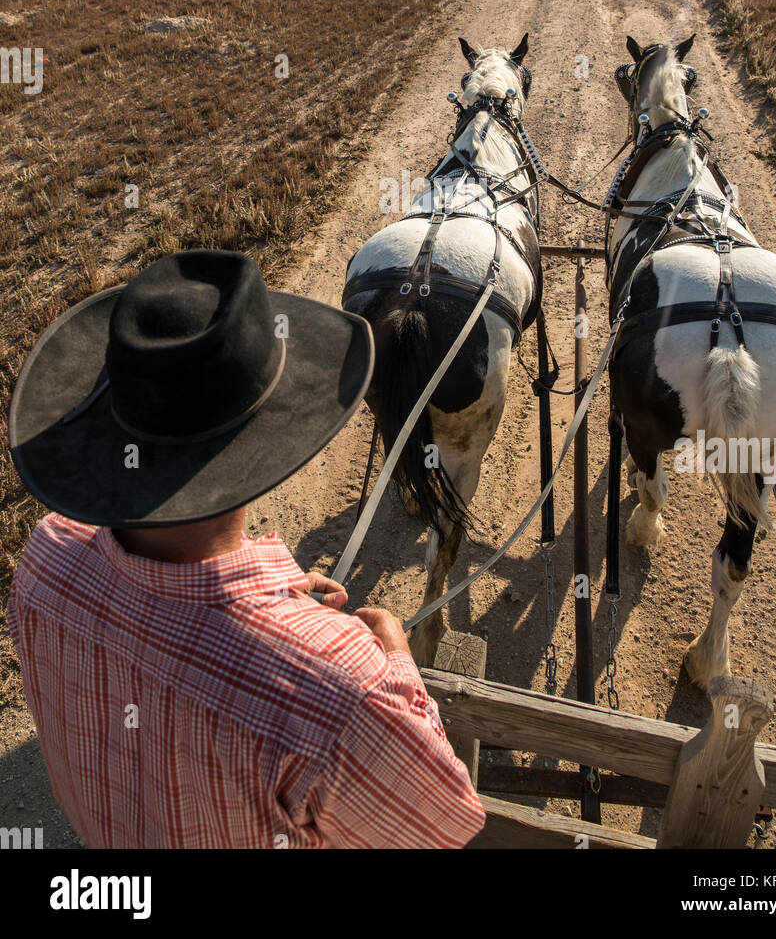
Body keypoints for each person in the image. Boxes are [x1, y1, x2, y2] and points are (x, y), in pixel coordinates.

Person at [6, 249, 485, 849]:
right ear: (269, 429)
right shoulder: (346, 689)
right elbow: (444, 825)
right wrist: (395, 664)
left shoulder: (45, 561)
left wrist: (275, 603)